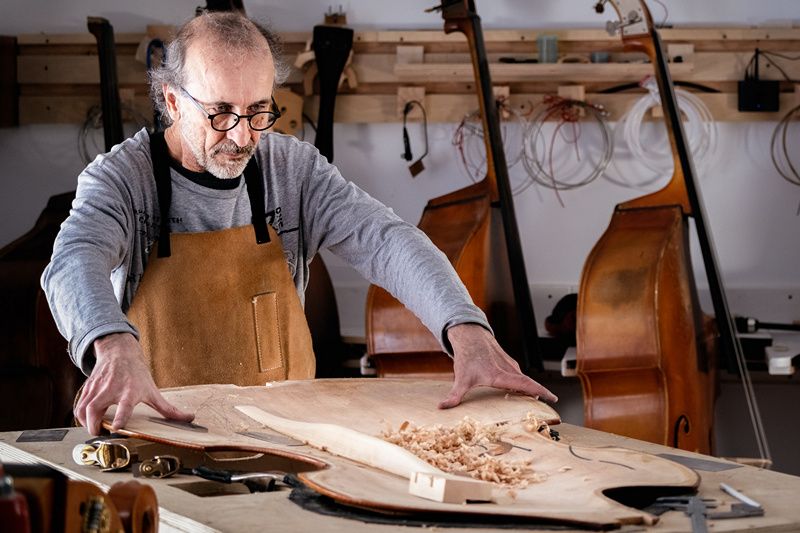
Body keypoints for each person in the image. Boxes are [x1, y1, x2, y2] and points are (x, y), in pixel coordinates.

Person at [42, 11, 556, 436]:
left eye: (259, 110)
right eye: (220, 112)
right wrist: (112, 344)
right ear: (173, 100)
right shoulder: (122, 178)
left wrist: (464, 328)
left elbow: (386, 240)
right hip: (158, 435)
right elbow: (74, 260)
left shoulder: (294, 171)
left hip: (286, 435)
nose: (242, 137)